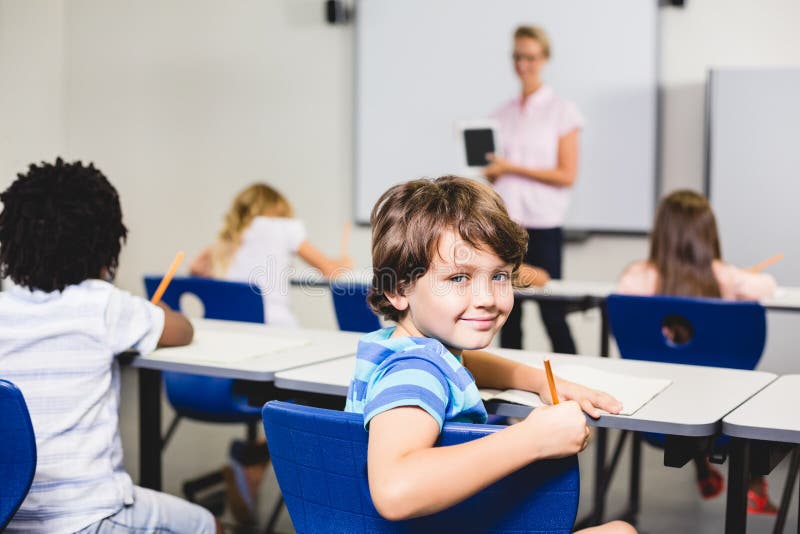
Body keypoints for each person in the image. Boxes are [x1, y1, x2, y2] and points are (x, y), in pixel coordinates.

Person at [345, 176, 635, 533]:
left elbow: (459, 366)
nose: (486, 298)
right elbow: (394, 490)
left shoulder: (412, 351)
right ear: (398, 289)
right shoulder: (412, 375)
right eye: (458, 279)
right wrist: (533, 439)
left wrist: (543, 382)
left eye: (499, 276)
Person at [0, 158, 218, 533]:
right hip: (87, 516)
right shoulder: (103, 304)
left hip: (8, 513)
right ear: (104, 247)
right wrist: (156, 310)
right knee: (206, 524)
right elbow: (182, 331)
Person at [618, 189, 778, 514]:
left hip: (655, 413)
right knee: (742, 392)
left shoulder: (638, 276)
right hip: (722, 411)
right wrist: (739, 275)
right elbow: (768, 287)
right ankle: (750, 479)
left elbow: (622, 302)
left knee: (684, 387)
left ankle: (702, 468)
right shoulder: (727, 276)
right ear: (708, 233)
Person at [484, 24, 583, 354]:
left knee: (552, 311)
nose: (522, 64)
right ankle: (509, 387)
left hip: (544, 225)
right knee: (506, 311)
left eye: (529, 57)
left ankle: (574, 379)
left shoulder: (562, 111)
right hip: (508, 224)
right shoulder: (500, 114)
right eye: (516, 57)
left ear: (543, 59)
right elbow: (496, 176)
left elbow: (567, 174)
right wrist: (493, 173)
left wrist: (511, 167)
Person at [190, 182, 353, 327]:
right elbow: (330, 270)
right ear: (278, 208)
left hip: (231, 326)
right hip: (273, 325)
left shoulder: (229, 237)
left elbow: (195, 268)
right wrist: (345, 263)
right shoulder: (285, 227)